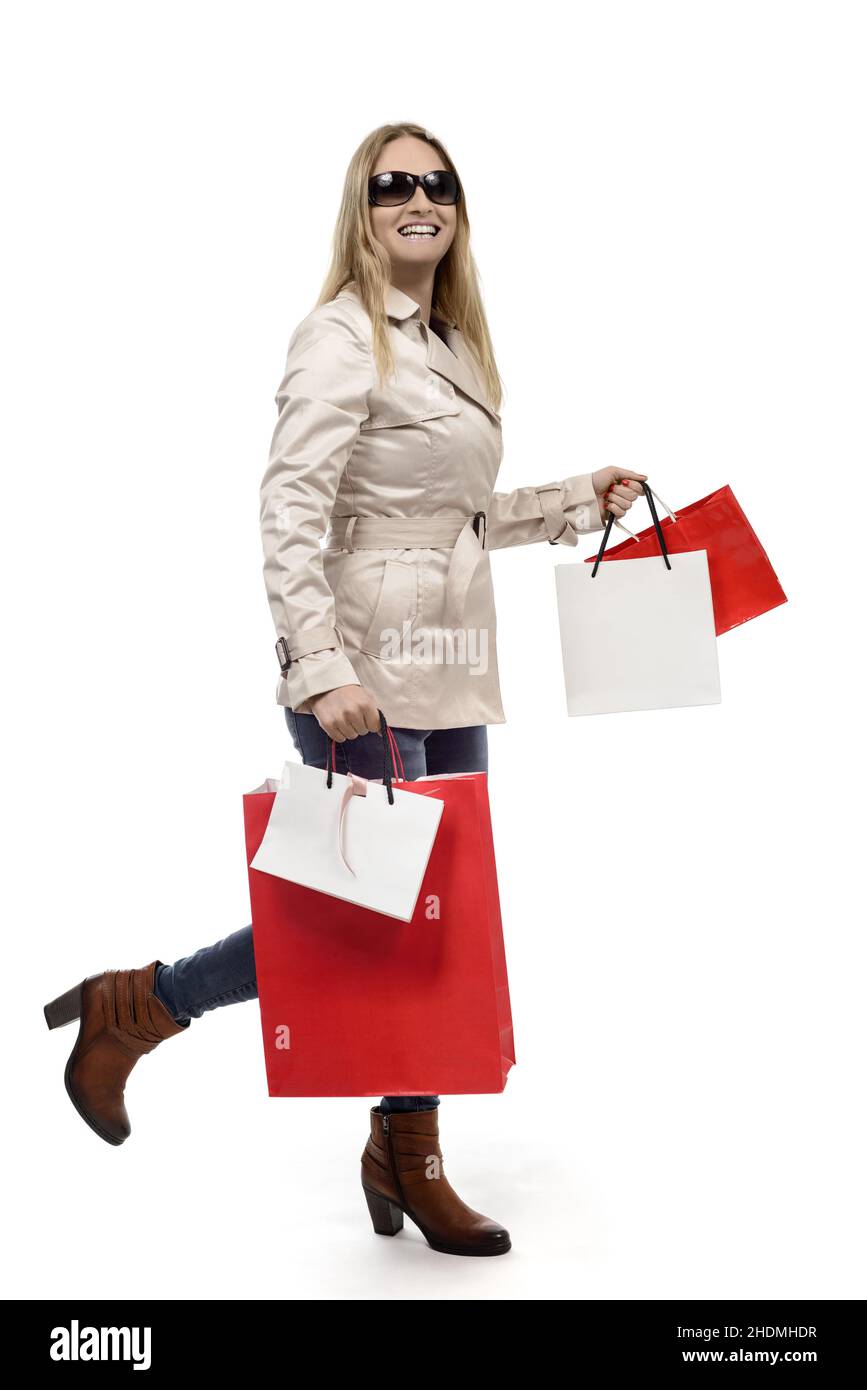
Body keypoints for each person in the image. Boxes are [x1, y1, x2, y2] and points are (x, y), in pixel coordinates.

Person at [44, 121, 645, 1257]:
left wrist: (577, 501)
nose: (419, 198)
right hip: (364, 674)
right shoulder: (337, 338)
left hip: (452, 666)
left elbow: (447, 519)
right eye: (393, 185)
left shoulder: (456, 342)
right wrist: (321, 669)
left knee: (428, 923)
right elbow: (289, 513)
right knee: (344, 917)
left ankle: (402, 1151)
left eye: (438, 183)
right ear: (361, 209)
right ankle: (143, 1005)